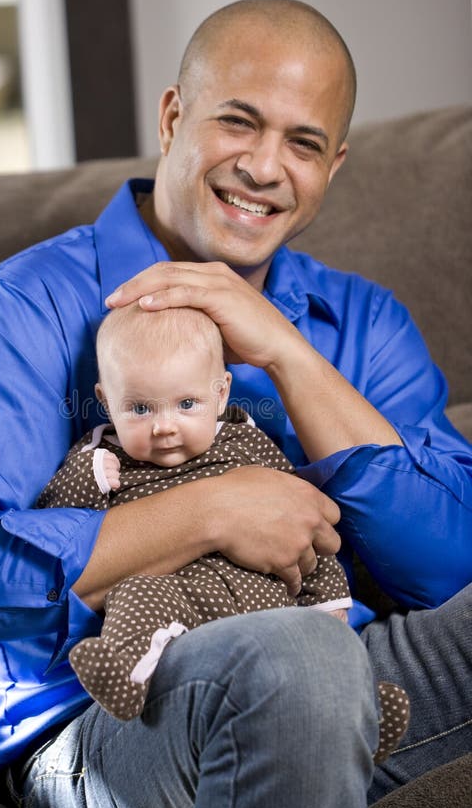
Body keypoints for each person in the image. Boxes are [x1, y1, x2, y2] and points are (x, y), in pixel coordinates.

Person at [0, 0, 472, 808]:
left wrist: (290, 356)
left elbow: (452, 568)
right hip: (107, 715)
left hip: (348, 678)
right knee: (298, 657)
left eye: (303, 143)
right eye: (239, 122)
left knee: (312, 661)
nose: (265, 167)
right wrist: (210, 510)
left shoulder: (364, 322)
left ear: (333, 166)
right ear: (173, 116)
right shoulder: (24, 307)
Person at [37, 302, 409, 763]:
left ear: (220, 393)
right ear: (106, 400)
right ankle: (131, 676)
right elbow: (59, 525)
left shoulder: (249, 446)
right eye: (139, 408)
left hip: (261, 594)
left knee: (314, 652)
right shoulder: (101, 458)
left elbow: (303, 525)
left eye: (186, 404)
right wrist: (89, 477)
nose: (164, 427)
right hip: (177, 599)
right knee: (133, 595)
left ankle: (363, 717)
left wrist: (327, 603)